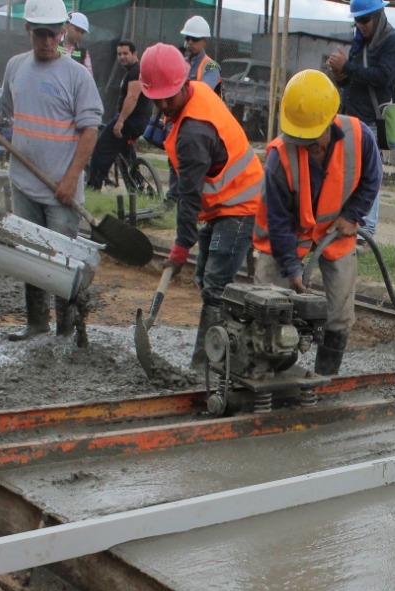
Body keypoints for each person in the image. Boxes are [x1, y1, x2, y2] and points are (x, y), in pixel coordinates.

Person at [0, 0, 102, 343]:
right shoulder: (16, 67)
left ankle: (67, 328)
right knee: (30, 255)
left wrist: (71, 179)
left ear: (62, 32)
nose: (47, 41)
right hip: (25, 183)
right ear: (29, 30)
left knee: (62, 261)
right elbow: (1, 105)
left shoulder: (77, 76)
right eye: (40, 34)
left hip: (60, 188)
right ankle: (36, 323)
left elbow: (90, 130)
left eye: (53, 34)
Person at [139, 43, 263, 370]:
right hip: (222, 204)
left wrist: (181, 245)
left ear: (184, 83)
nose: (164, 105)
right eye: (158, 99)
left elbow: (188, 195)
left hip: (239, 204)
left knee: (216, 286)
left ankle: (207, 364)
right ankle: (222, 347)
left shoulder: (193, 131)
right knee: (205, 277)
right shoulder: (192, 95)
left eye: (169, 96)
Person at [252, 69, 381, 377]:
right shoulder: (279, 158)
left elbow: (372, 180)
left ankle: (325, 378)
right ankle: (270, 376)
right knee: (268, 307)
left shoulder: (359, 137)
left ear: (329, 122)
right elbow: (279, 222)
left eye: (312, 140)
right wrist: (292, 269)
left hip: (335, 232)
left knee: (338, 313)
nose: (307, 147)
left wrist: (352, 215)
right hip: (285, 237)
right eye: (301, 140)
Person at [325, 0, 395, 242]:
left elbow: (383, 76)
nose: (360, 26)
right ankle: (347, 220)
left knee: (370, 172)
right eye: (357, 21)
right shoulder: (360, 42)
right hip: (350, 116)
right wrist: (340, 76)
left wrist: (347, 66)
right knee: (347, 171)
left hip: (372, 119)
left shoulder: (393, 42)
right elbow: (354, 81)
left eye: (364, 20)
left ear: (379, 15)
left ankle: (366, 230)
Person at [162, 15, 223, 210]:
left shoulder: (211, 66)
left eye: (194, 39)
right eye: (187, 38)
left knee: (194, 165)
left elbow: (203, 90)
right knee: (174, 160)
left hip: (198, 123)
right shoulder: (181, 61)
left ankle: (192, 203)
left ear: (204, 40)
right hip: (178, 120)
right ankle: (173, 198)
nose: (189, 43)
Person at [86, 40, 151, 190]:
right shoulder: (132, 71)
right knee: (125, 152)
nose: (122, 57)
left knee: (101, 148)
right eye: (119, 54)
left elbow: (132, 97)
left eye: (125, 53)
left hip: (130, 121)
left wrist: (120, 121)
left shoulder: (136, 71)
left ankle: (94, 185)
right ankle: (137, 187)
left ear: (134, 54)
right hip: (137, 120)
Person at [63, 11, 93, 79]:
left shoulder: (83, 53)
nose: (79, 35)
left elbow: (89, 77)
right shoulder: (55, 46)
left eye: (82, 32)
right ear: (67, 26)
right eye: (77, 30)